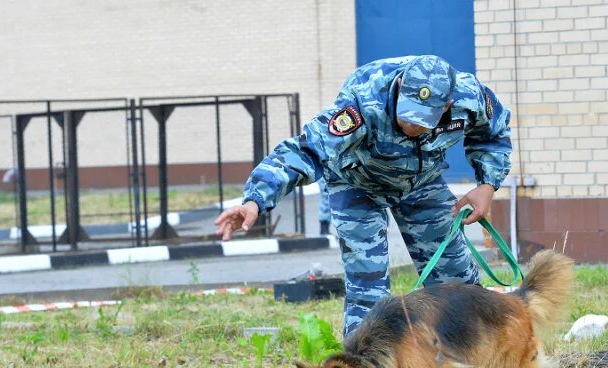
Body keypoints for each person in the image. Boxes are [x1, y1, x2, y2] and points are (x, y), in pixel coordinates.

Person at [214, 55, 512, 336]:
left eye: (423, 121)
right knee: (369, 291)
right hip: (356, 182)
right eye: (407, 116)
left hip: (420, 181)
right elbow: (306, 151)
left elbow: (494, 132)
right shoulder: (363, 103)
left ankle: (472, 363)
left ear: (447, 105)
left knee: (457, 281)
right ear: (398, 88)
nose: (412, 127)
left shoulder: (469, 97)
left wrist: (487, 185)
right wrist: (255, 199)